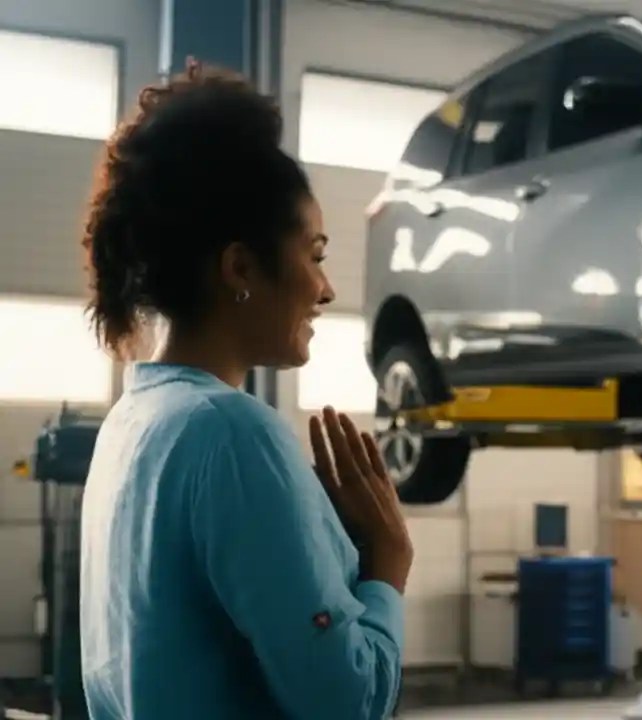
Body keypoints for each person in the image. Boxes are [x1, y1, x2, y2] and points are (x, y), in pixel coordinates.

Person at [77, 60, 414, 719]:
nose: (326, 289)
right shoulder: (231, 432)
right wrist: (386, 563)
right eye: (314, 254)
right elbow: (347, 700)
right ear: (240, 266)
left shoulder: (133, 423)